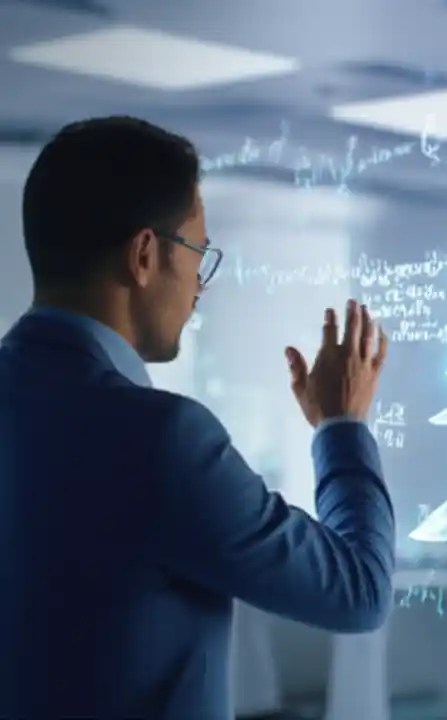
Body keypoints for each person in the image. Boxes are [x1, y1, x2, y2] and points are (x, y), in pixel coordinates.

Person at [0, 116, 396, 719]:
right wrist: (342, 428)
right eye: (197, 252)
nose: (198, 285)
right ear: (144, 255)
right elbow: (359, 594)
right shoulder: (159, 439)